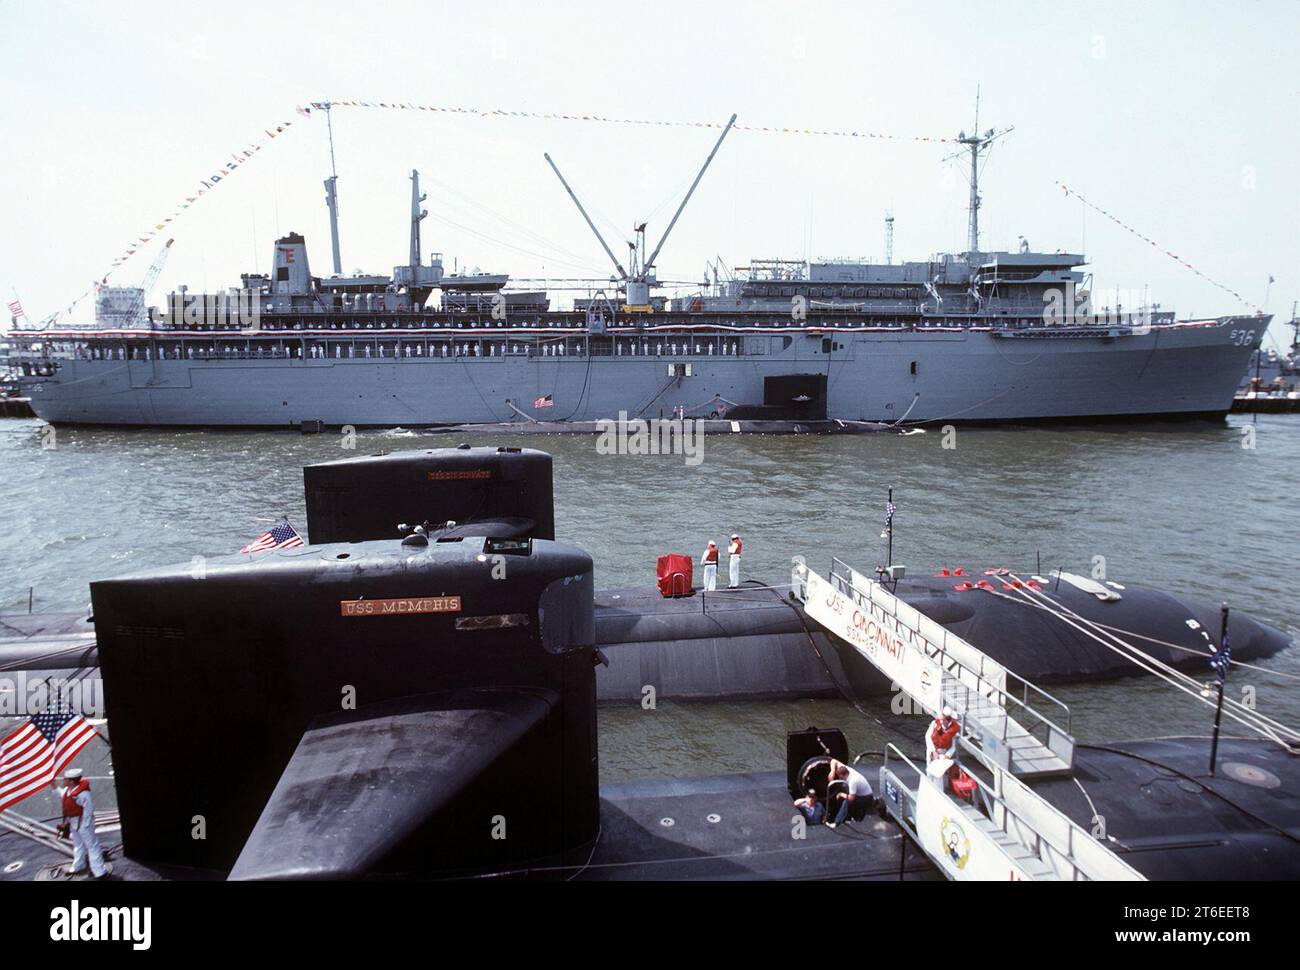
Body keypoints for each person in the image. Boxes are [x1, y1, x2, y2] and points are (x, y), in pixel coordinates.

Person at [55, 767, 107, 879]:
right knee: (78, 844)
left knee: (92, 846)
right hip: (73, 822)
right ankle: (79, 865)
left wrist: (86, 825)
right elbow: (61, 794)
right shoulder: (68, 791)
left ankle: (99, 871)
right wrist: (52, 784)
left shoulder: (83, 794)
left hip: (83, 821)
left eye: (65, 779)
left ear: (71, 781)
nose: (63, 781)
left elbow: (88, 809)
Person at [826, 758, 874, 827]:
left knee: (846, 802)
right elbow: (834, 760)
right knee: (844, 795)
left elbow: (851, 799)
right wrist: (832, 771)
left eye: (839, 776)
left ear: (842, 775)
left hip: (866, 798)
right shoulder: (847, 769)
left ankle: (836, 823)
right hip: (859, 793)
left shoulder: (853, 781)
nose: (839, 778)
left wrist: (841, 794)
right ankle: (846, 817)